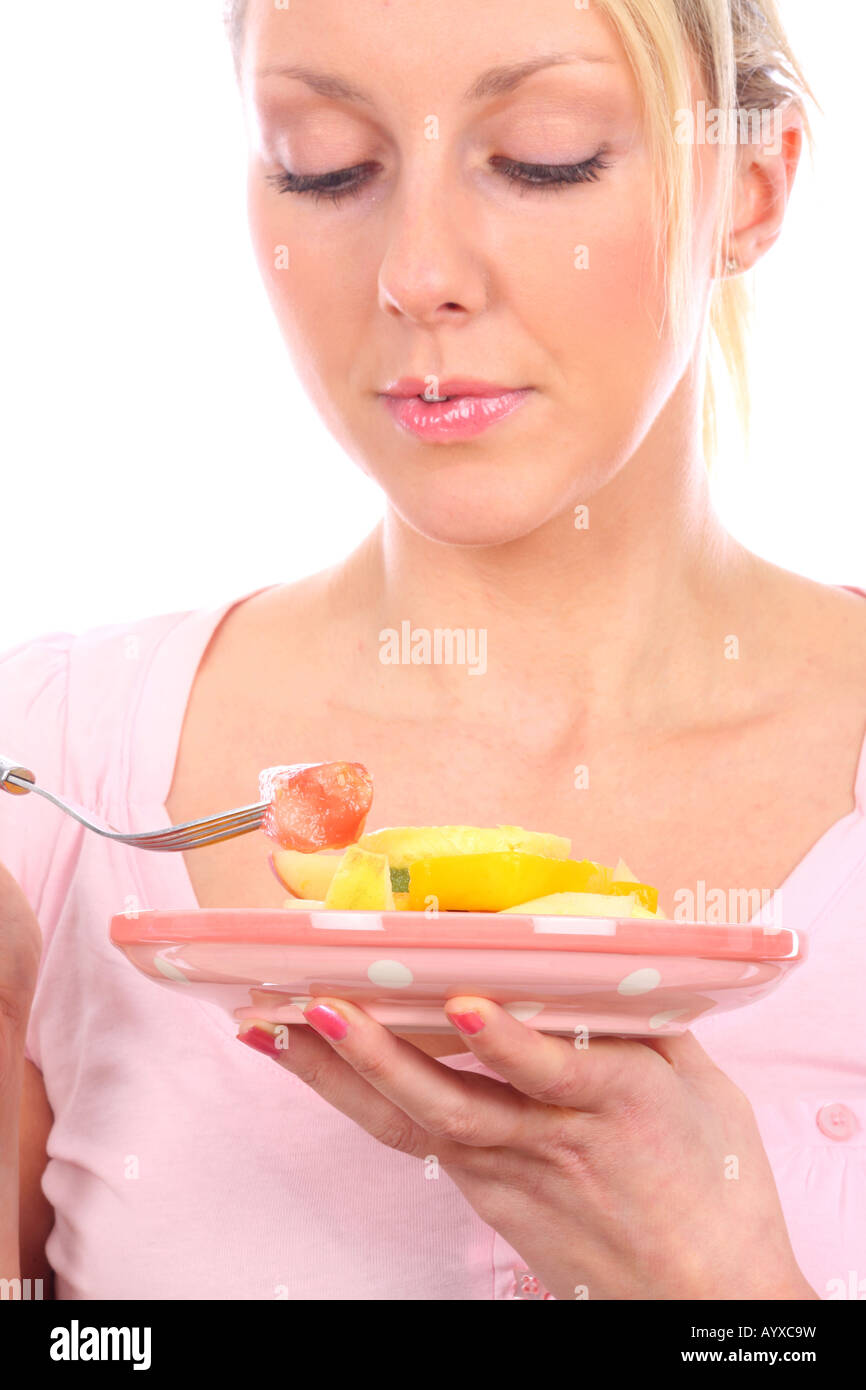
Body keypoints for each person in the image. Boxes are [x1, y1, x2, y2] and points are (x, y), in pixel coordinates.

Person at [1, 0, 864, 1300]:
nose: (416, 272)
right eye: (323, 164)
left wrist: (721, 1292)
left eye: (543, 155)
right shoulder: (45, 771)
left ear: (749, 185)